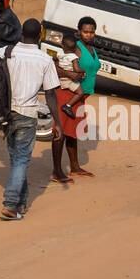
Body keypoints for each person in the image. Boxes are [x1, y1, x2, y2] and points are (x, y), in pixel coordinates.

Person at [0, 18, 60, 221]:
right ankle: (9, 204)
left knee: (17, 158)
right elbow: (51, 94)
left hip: (7, 113)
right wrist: (57, 123)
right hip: (28, 114)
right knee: (22, 159)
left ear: (21, 34)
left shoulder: (6, 52)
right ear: (39, 36)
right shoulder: (45, 59)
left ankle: (21, 203)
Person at [50, 16, 100, 182]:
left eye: (91, 32)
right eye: (85, 32)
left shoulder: (91, 49)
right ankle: (56, 172)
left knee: (72, 133)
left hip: (80, 96)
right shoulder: (74, 47)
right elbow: (54, 65)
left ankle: (75, 167)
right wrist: (68, 74)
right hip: (68, 94)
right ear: (79, 32)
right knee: (60, 131)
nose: (88, 35)